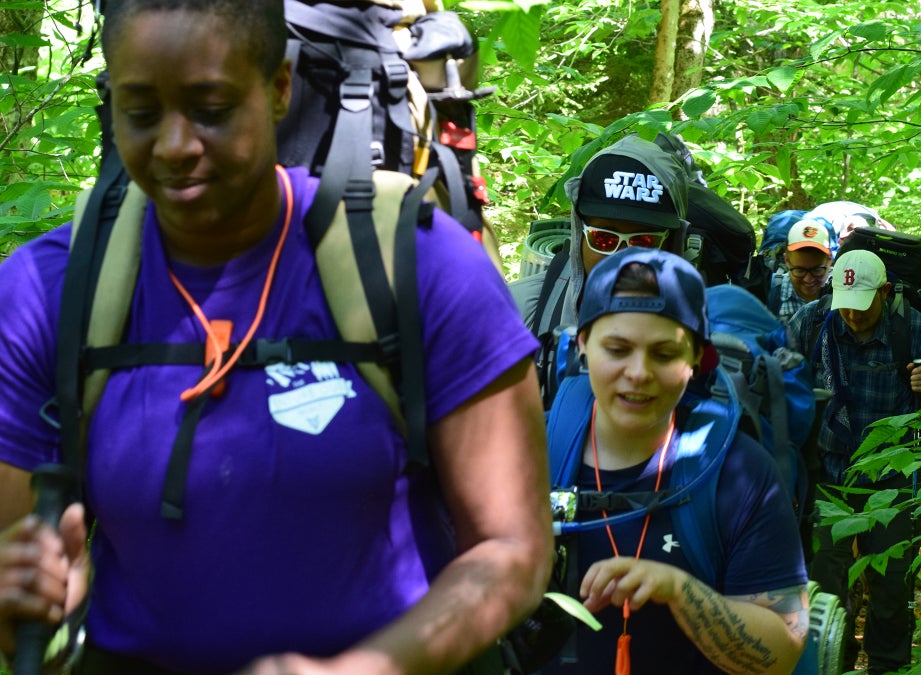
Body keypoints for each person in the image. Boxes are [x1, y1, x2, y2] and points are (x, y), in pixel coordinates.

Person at [0, 1, 552, 673]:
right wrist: (27, 598)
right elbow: (27, 605)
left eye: (211, 107)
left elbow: (513, 551)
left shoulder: (420, 265)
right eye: (140, 113)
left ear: (280, 87)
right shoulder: (47, 291)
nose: (175, 145)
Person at [542, 247, 809, 674]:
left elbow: (783, 650)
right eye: (617, 348)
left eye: (664, 354)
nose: (639, 372)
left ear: (696, 361)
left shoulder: (738, 473)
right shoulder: (529, 454)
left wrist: (681, 591)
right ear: (583, 345)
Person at [786, 249, 921, 674]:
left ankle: (888, 667)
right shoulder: (811, 322)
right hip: (828, 478)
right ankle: (831, 665)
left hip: (892, 482)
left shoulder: (912, 328)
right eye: (844, 305)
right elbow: (776, 383)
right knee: (825, 590)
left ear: (883, 292)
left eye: (862, 306)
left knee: (891, 590)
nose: (852, 316)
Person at [507, 134, 691, 400]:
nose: (621, 257)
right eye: (604, 238)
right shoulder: (519, 310)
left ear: (672, 244)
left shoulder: (705, 326)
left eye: (643, 241)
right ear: (579, 232)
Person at [774, 218, 833, 323]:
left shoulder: (841, 291)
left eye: (817, 270)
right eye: (800, 270)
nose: (808, 279)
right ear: (787, 260)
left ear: (829, 260)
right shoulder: (772, 293)